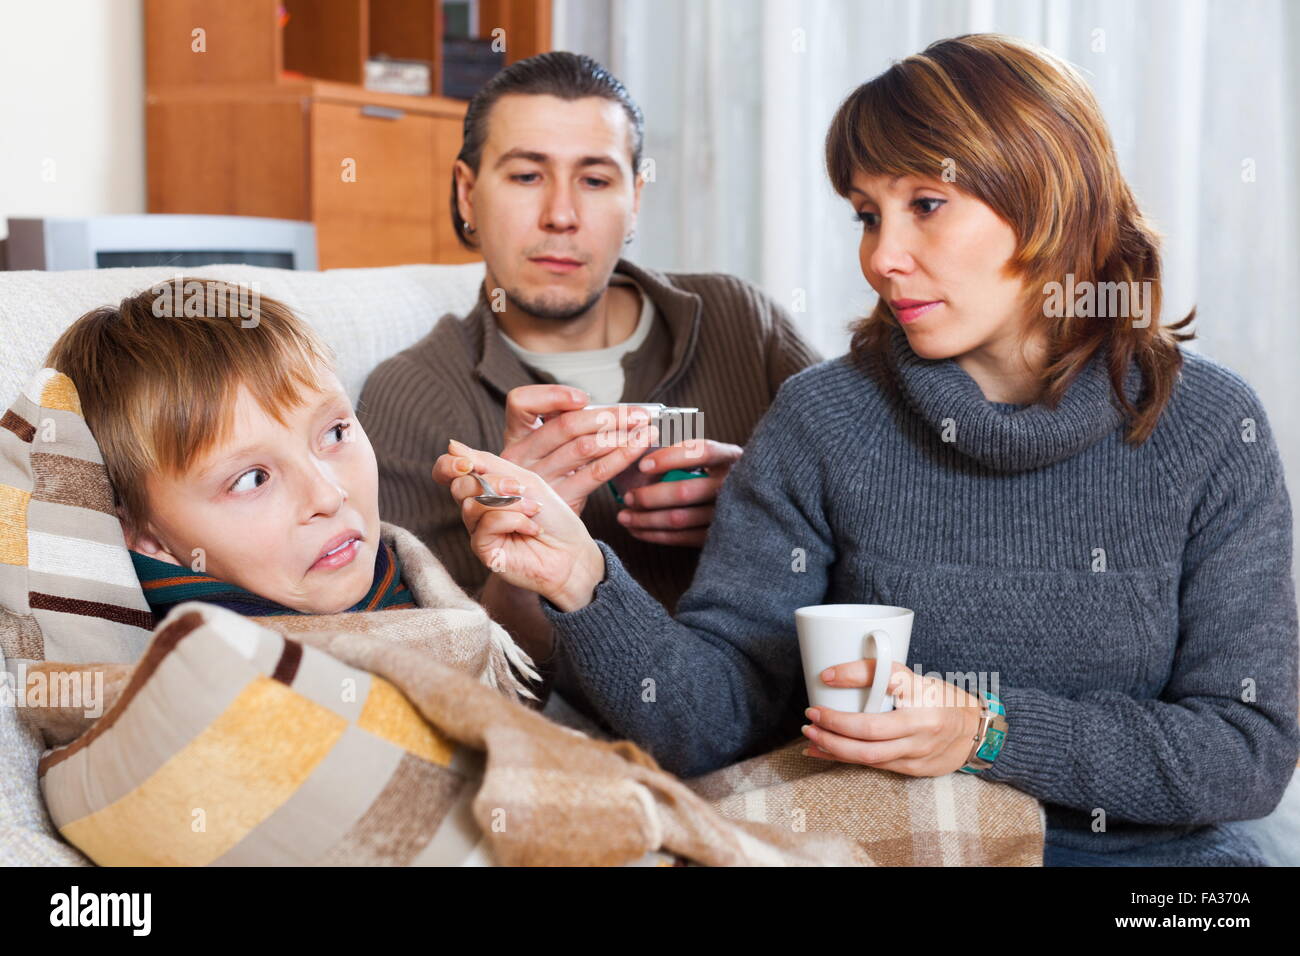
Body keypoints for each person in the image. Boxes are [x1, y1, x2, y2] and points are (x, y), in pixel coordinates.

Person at [433, 34, 1299, 866]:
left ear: (1049, 194)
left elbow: (1250, 749)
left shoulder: (1212, 428)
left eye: (926, 204)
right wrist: (582, 579)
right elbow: (710, 721)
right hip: (898, 843)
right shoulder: (826, 417)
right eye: (866, 215)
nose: (883, 257)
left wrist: (985, 730)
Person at [358, 52, 821, 683]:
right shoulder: (411, 395)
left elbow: (882, 512)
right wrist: (519, 562)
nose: (561, 215)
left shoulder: (742, 320)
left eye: (595, 181)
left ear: (636, 198)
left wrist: (760, 504)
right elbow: (446, 676)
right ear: (468, 194)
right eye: (527, 176)